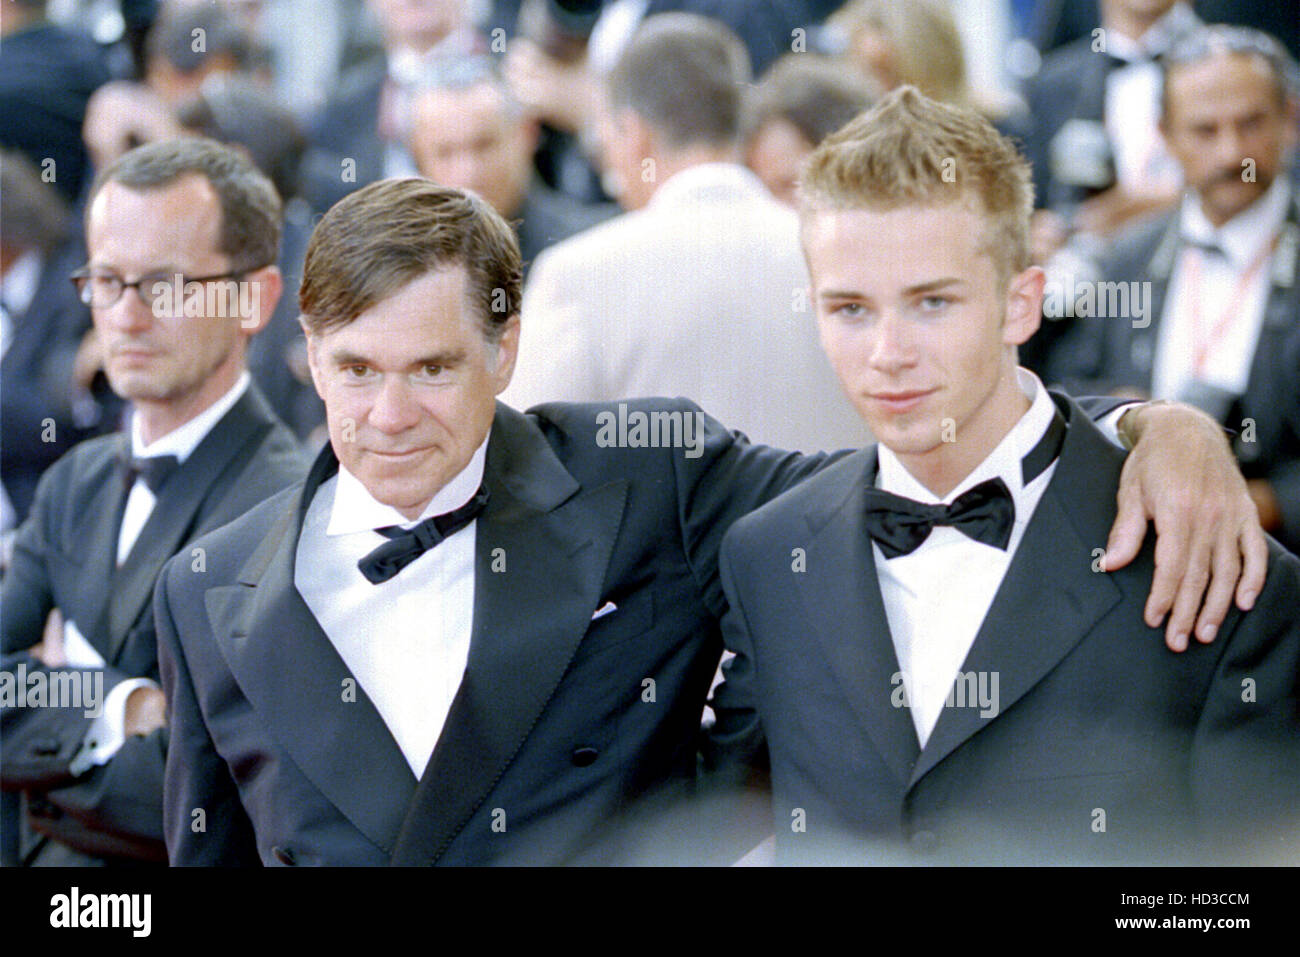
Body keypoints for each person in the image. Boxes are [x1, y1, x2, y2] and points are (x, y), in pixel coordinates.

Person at [155, 173, 1268, 866]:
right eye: (355, 370)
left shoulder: (649, 480)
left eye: (434, 368)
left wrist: (1149, 425)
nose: (389, 415)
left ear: (504, 351)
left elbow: (925, 468)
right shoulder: (205, 589)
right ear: (306, 356)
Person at [710, 86, 1300, 865]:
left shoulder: (1210, 567)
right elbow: (723, 819)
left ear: (1021, 305)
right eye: (850, 309)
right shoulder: (769, 554)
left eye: (931, 303)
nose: (888, 352)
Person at [0, 138, 309, 866]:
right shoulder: (74, 479)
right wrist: (122, 706)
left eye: (165, 285)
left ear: (254, 299)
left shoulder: (290, 506)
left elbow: (212, 799)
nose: (126, 318)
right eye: (106, 280)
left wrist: (36, 743)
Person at [503, 13, 867, 453]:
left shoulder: (578, 276)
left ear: (633, 134)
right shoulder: (846, 252)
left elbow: (531, 461)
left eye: (608, 138)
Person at [1044, 25, 1300, 553]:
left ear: (1290, 118)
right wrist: (1121, 415)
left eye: (1251, 124)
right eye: (1205, 130)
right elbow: (1063, 388)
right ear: (1165, 133)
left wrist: (1248, 503)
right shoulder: (1124, 257)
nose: (1232, 154)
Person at [407, 57, 615, 276]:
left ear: (527, 134)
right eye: (445, 153)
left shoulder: (591, 248)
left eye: (484, 145)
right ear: (417, 156)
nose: (468, 172)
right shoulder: (398, 271)